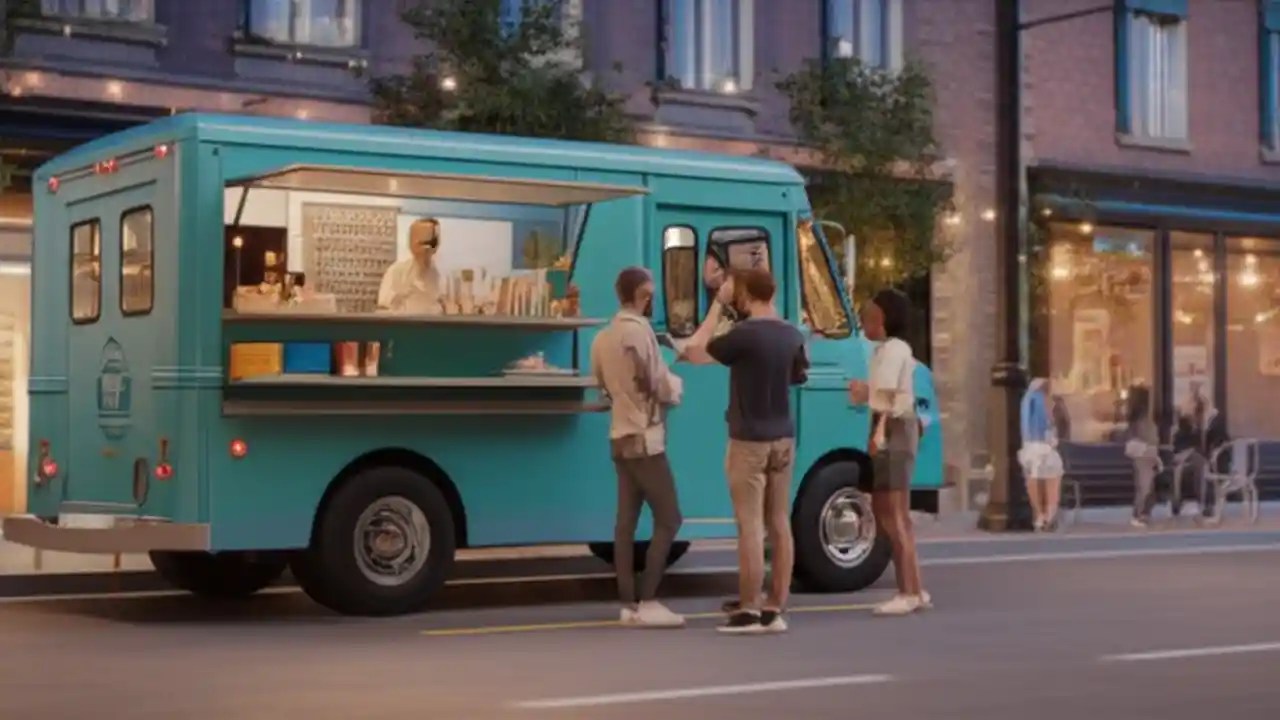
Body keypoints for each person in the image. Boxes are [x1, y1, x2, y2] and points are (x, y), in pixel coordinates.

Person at [682, 267, 808, 634]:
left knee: (750, 525)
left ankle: (749, 608)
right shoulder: (792, 335)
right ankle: (775, 606)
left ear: (746, 294)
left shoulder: (743, 335)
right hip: (784, 437)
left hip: (749, 438)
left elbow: (695, 350)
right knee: (779, 522)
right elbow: (797, 376)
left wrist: (717, 306)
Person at [589, 267, 686, 628]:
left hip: (619, 436)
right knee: (670, 518)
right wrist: (677, 386)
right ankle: (649, 599)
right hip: (646, 439)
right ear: (642, 295)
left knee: (625, 524)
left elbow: (602, 386)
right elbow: (659, 386)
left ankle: (627, 603)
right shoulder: (640, 333)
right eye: (650, 295)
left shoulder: (602, 338)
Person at [848, 289, 930, 616]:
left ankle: (907, 591)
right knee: (894, 514)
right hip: (894, 427)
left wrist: (877, 433)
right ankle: (915, 589)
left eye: (869, 315)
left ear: (882, 318)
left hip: (893, 428)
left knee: (892, 514)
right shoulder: (888, 350)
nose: (864, 320)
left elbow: (887, 397)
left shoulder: (894, 350)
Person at [1019, 378, 1065, 531]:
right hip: (1044, 445)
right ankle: (1050, 514)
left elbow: (1026, 426)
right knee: (1053, 479)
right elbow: (1048, 424)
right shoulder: (1041, 399)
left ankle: (1039, 515)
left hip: (1030, 446)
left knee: (1034, 480)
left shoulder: (1027, 399)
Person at [377, 217, 443, 314]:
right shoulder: (396, 272)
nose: (426, 248)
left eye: (431, 242)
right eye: (421, 242)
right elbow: (383, 309)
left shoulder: (439, 276)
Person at [1124, 383, 1160, 528]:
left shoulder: (1138, 419)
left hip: (1144, 455)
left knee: (1146, 487)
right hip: (1145, 455)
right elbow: (1149, 439)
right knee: (1144, 487)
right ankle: (1137, 514)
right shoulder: (1142, 420)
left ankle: (1142, 513)